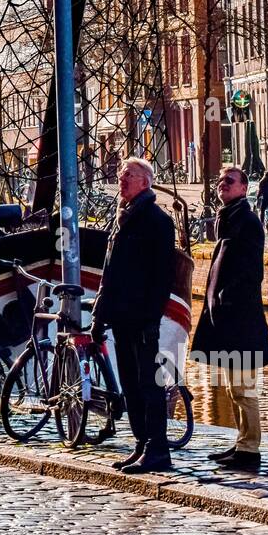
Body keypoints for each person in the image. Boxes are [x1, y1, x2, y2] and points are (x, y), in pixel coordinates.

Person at [90, 156, 177, 473]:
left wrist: (151, 319)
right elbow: (108, 274)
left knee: (148, 386)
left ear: (146, 181)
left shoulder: (157, 221)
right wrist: (99, 318)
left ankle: (157, 450)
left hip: (141, 319)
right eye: (120, 173)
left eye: (129, 174)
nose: (122, 178)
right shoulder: (122, 218)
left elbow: (161, 278)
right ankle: (141, 444)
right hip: (121, 317)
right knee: (129, 384)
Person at [192, 166, 268, 471]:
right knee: (232, 388)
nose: (221, 184)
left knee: (243, 388)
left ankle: (250, 449)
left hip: (240, 320)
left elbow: (251, 273)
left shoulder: (246, 222)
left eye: (229, 181)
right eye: (219, 180)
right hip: (229, 319)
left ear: (243, 188)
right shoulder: (229, 218)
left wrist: (227, 299)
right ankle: (242, 442)